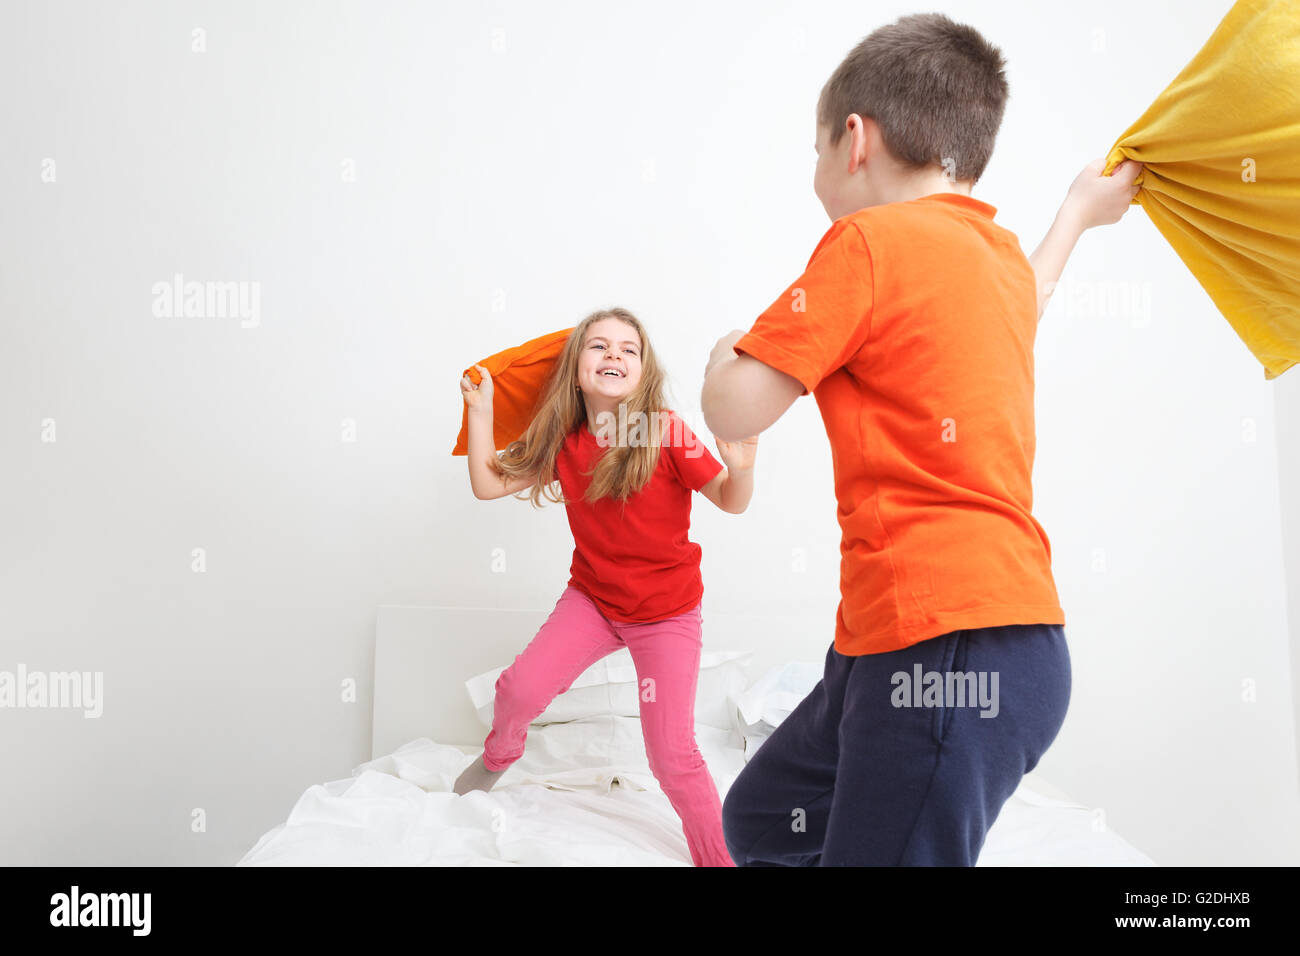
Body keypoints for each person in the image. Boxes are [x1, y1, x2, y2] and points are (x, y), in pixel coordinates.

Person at [699, 12, 1143, 865]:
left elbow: (735, 411)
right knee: (763, 817)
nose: (815, 170)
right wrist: (1078, 214)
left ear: (854, 139)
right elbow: (1033, 294)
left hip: (943, 646)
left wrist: (728, 355)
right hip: (939, 648)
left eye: (815, 148)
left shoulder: (865, 243)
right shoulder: (996, 256)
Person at [454, 307, 757, 867]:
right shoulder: (565, 442)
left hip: (666, 613)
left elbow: (731, 500)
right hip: (593, 602)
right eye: (599, 346)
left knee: (671, 756)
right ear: (575, 370)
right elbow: (488, 484)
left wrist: (743, 466)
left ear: (643, 372)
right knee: (518, 690)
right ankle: (499, 757)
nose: (614, 355)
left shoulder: (665, 431)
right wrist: (481, 412)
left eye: (629, 349)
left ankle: (721, 859)